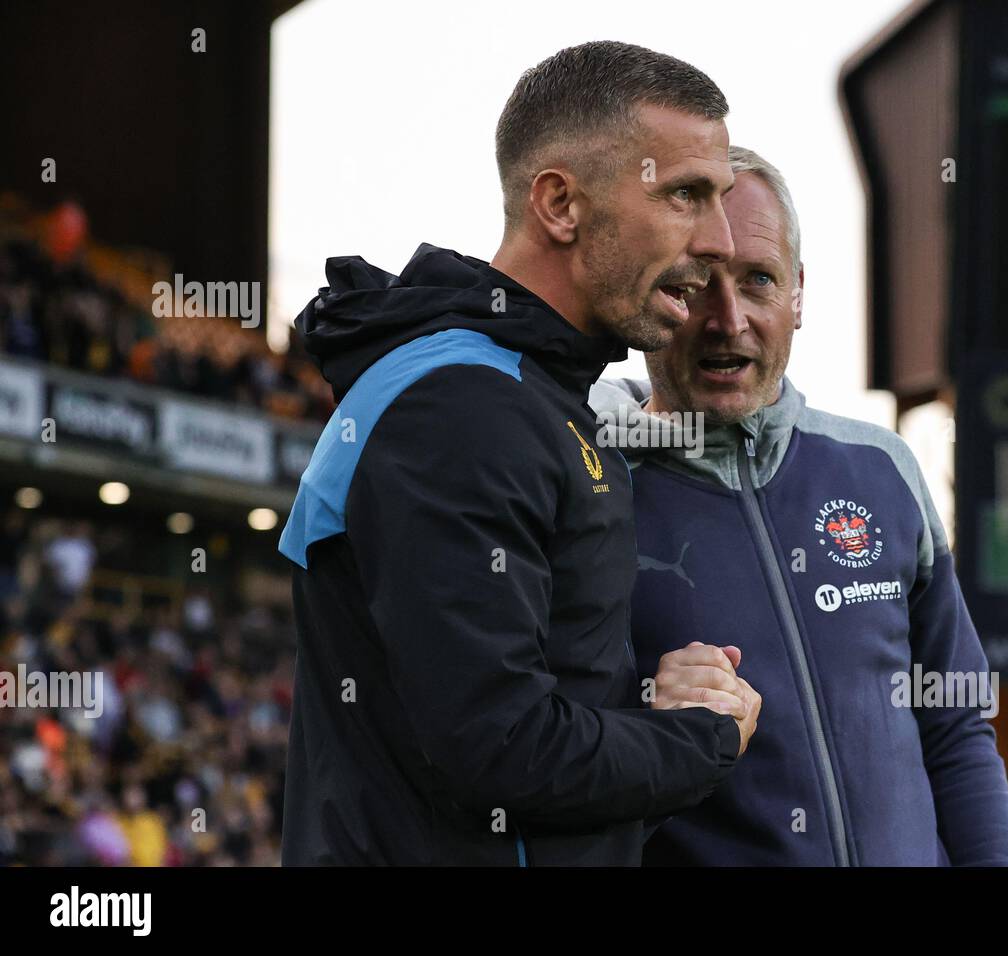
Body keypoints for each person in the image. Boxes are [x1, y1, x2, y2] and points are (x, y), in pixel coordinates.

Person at [276, 41, 761, 866]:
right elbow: (502, 750)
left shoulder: (526, 392)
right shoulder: (462, 407)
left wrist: (651, 699)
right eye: (685, 195)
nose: (716, 238)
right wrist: (700, 739)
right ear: (560, 204)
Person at [591, 146, 1008, 865]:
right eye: (694, 283)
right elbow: (543, 779)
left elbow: (957, 726)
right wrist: (650, 737)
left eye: (757, 280)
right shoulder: (588, 488)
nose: (727, 320)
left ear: (798, 294)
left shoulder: (882, 469)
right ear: (649, 301)